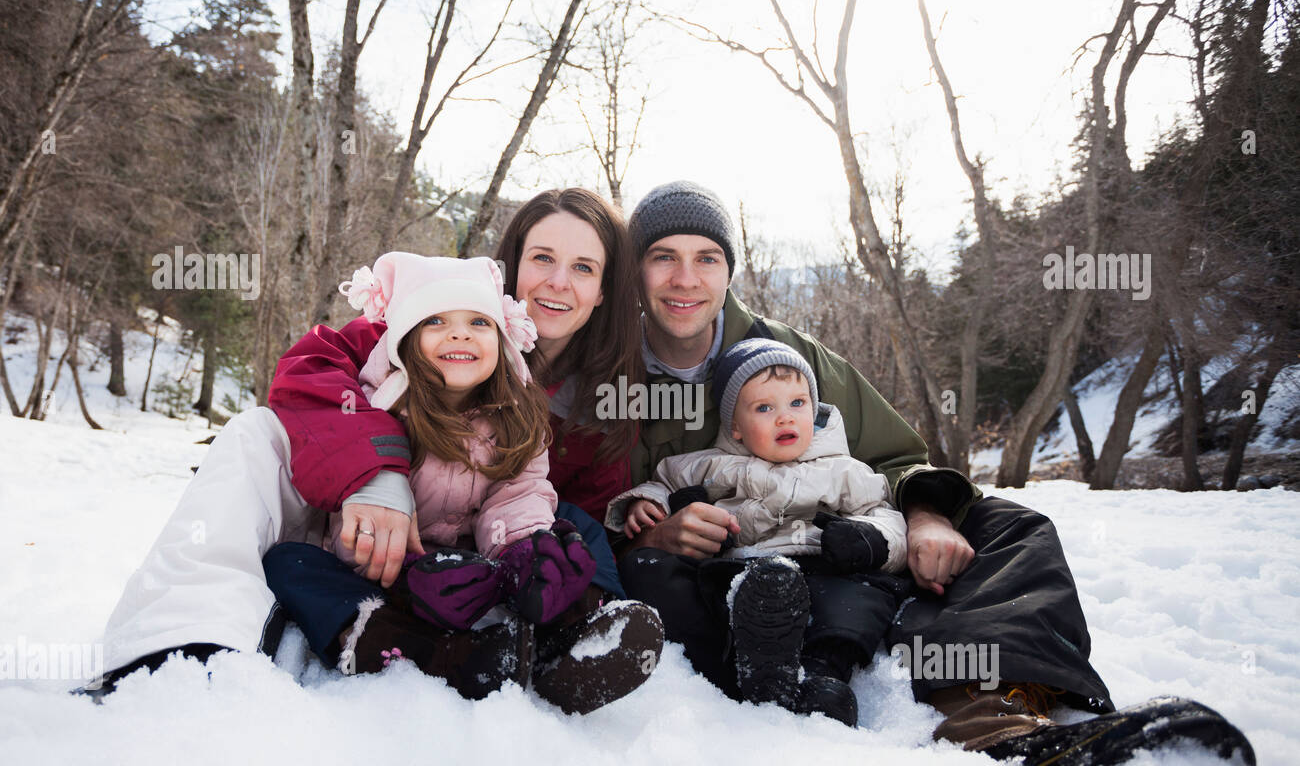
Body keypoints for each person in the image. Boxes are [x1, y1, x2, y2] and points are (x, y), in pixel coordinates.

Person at [615, 180, 1256, 766]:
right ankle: (772, 666)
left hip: (848, 556)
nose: (685, 279)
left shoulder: (790, 357)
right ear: (635, 271)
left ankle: (987, 709)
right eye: (663, 257)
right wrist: (656, 535)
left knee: (1009, 526)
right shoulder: (610, 372)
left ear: (729, 269)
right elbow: (590, 506)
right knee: (656, 580)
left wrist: (924, 518)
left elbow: (895, 457)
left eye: (707, 258)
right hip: (722, 574)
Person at [94, 189, 661, 705]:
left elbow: (568, 506)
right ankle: (183, 638)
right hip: (386, 544)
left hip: (498, 551)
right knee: (253, 436)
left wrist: (536, 553)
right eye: (542, 259)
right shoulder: (414, 331)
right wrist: (378, 473)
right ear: (509, 269)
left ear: (604, 289)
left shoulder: (601, 398)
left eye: (583, 267)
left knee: (568, 526)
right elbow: (307, 373)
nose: (558, 281)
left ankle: (585, 635)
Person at [261, 253, 659, 713]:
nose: (460, 333)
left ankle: (581, 622)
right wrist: (409, 575)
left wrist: (521, 552)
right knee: (292, 563)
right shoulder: (380, 411)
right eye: (435, 321)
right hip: (389, 570)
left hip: (477, 556)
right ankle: (405, 644)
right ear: (405, 340)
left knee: (570, 523)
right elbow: (353, 526)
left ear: (503, 340)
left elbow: (520, 493)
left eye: (478, 322)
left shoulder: (517, 415)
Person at [605, 338, 910, 726]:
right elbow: (662, 481)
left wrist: (870, 540)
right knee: (648, 566)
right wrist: (645, 505)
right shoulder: (710, 465)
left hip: (822, 568)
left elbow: (888, 517)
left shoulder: (842, 470)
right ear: (735, 425)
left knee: (862, 597)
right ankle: (738, 665)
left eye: (798, 404)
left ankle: (820, 674)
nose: (785, 418)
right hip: (737, 577)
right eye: (765, 408)